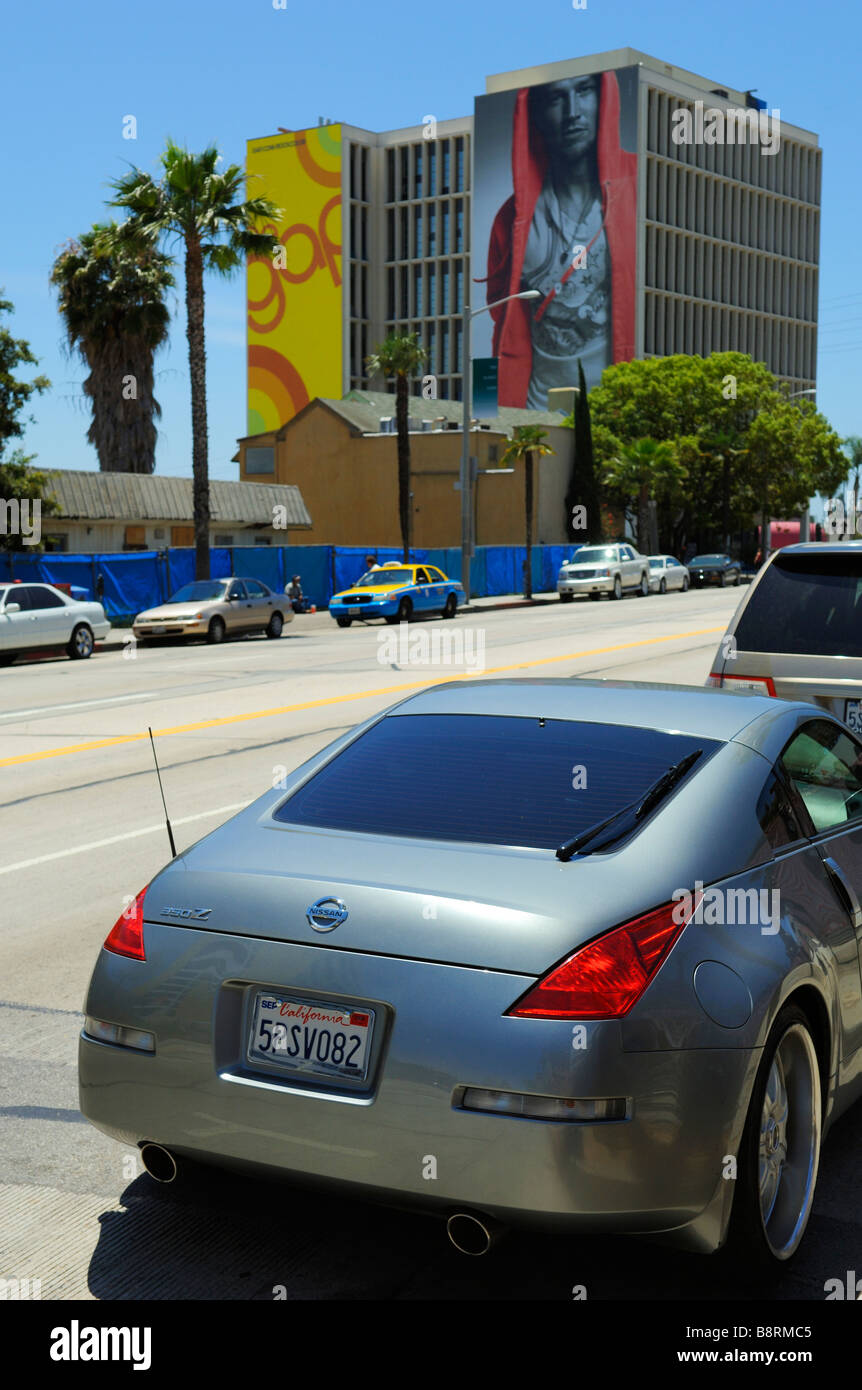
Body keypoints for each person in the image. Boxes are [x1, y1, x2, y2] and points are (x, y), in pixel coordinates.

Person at [484, 72, 637, 407]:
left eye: (584, 90)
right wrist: (488, 414)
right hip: (536, 412)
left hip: (620, 411)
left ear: (604, 98)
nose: (572, 112)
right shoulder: (511, 218)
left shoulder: (643, 188)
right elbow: (500, 320)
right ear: (535, 114)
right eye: (556, 98)